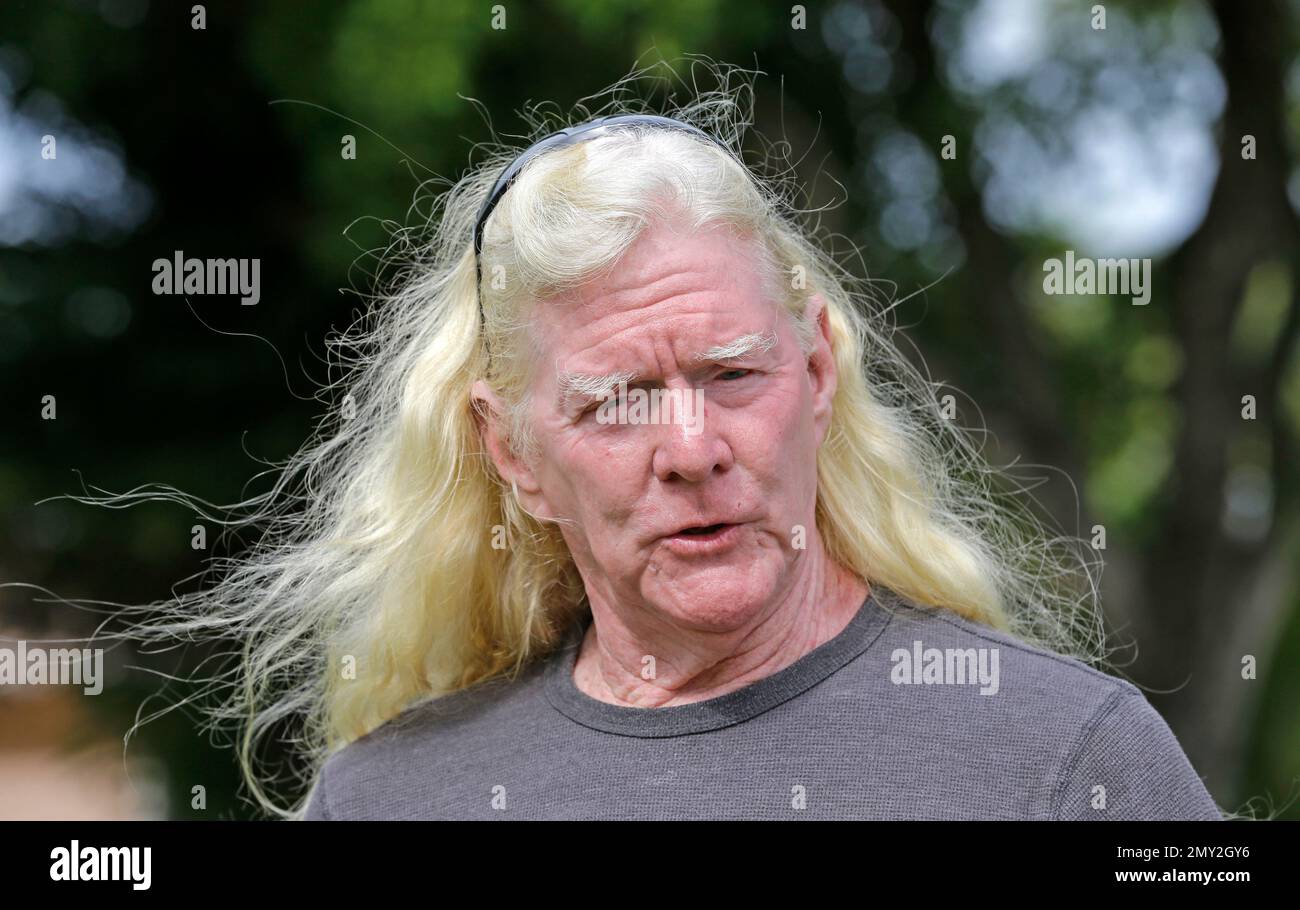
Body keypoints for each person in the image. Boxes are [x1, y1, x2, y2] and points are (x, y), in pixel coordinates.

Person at [285, 91, 1221, 820]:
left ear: (817, 373)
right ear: (514, 453)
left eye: (732, 373)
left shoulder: (1067, 759)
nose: (692, 451)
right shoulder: (389, 798)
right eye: (618, 400)